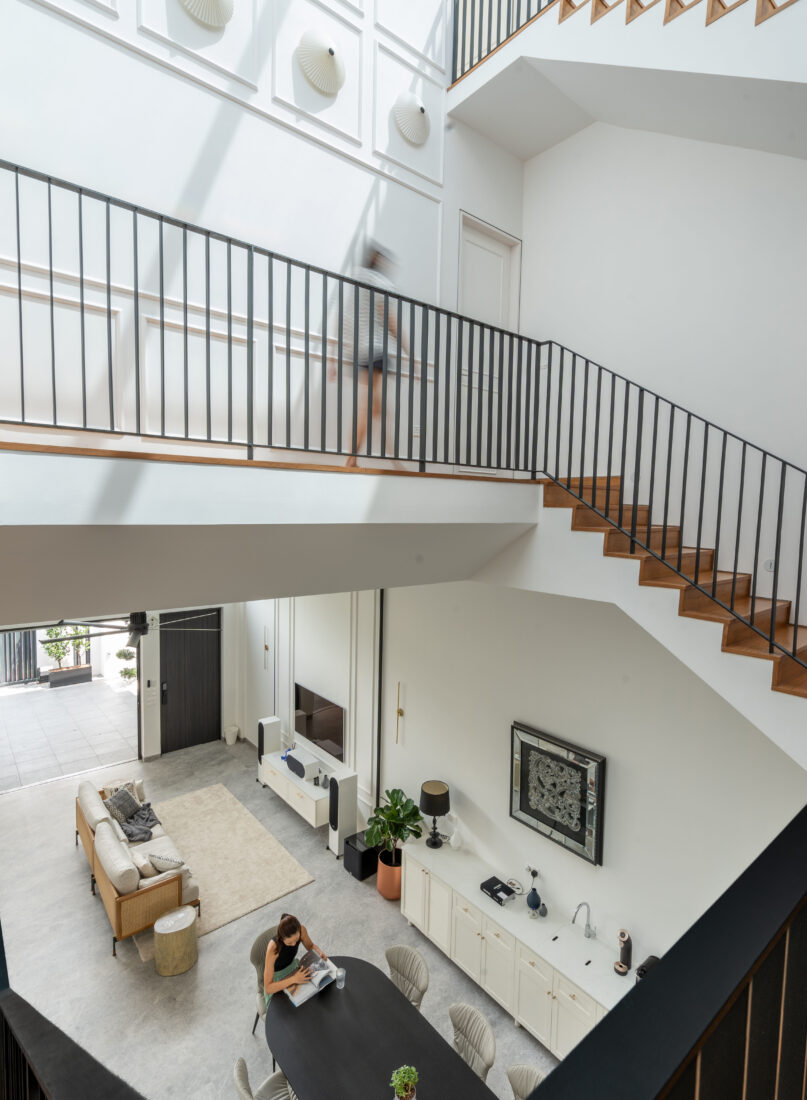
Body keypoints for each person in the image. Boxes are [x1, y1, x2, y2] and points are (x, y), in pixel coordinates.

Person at [341, 242, 408, 468]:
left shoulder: (356, 281)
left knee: (377, 407)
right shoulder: (379, 282)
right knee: (370, 408)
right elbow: (389, 318)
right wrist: (406, 347)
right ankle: (353, 459)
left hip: (360, 350)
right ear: (379, 261)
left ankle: (393, 459)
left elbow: (346, 319)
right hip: (376, 350)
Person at [263, 912, 328, 1005]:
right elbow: (268, 988)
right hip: (277, 979)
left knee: (314, 1000)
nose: (293, 944)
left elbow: (311, 946)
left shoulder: (302, 930)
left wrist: (319, 951)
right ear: (282, 938)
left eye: (296, 940)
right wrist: (294, 979)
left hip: (294, 969)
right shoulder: (273, 946)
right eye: (289, 943)